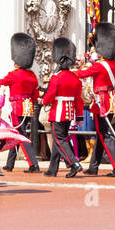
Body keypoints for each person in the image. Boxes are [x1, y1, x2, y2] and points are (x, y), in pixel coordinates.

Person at [75, 23, 115, 177]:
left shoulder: (99, 65)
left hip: (101, 101)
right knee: (101, 132)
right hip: (111, 99)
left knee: (104, 134)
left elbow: (83, 74)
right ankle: (94, 166)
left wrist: (70, 72)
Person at [0, 33, 42, 174]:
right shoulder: (32, 75)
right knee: (17, 134)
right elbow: (35, 94)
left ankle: (33, 164)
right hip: (28, 107)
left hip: (17, 107)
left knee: (21, 136)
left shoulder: (14, 74)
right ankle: (10, 164)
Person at [42, 38, 85, 179]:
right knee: (59, 139)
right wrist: (79, 117)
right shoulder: (75, 78)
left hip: (58, 112)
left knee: (60, 139)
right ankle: (52, 169)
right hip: (69, 112)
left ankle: (74, 163)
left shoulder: (56, 77)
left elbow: (50, 96)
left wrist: (43, 100)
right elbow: (79, 100)